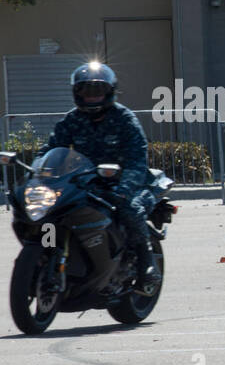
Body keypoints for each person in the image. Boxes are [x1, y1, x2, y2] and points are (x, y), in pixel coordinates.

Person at [40, 62, 161, 294]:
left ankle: (147, 264)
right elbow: (52, 148)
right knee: (51, 210)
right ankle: (48, 255)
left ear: (109, 91)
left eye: (98, 91)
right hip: (86, 182)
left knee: (130, 208)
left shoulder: (124, 118)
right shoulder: (72, 119)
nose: (92, 96)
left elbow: (137, 157)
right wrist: (37, 171)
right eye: (86, 91)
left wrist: (124, 188)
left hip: (126, 182)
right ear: (77, 93)